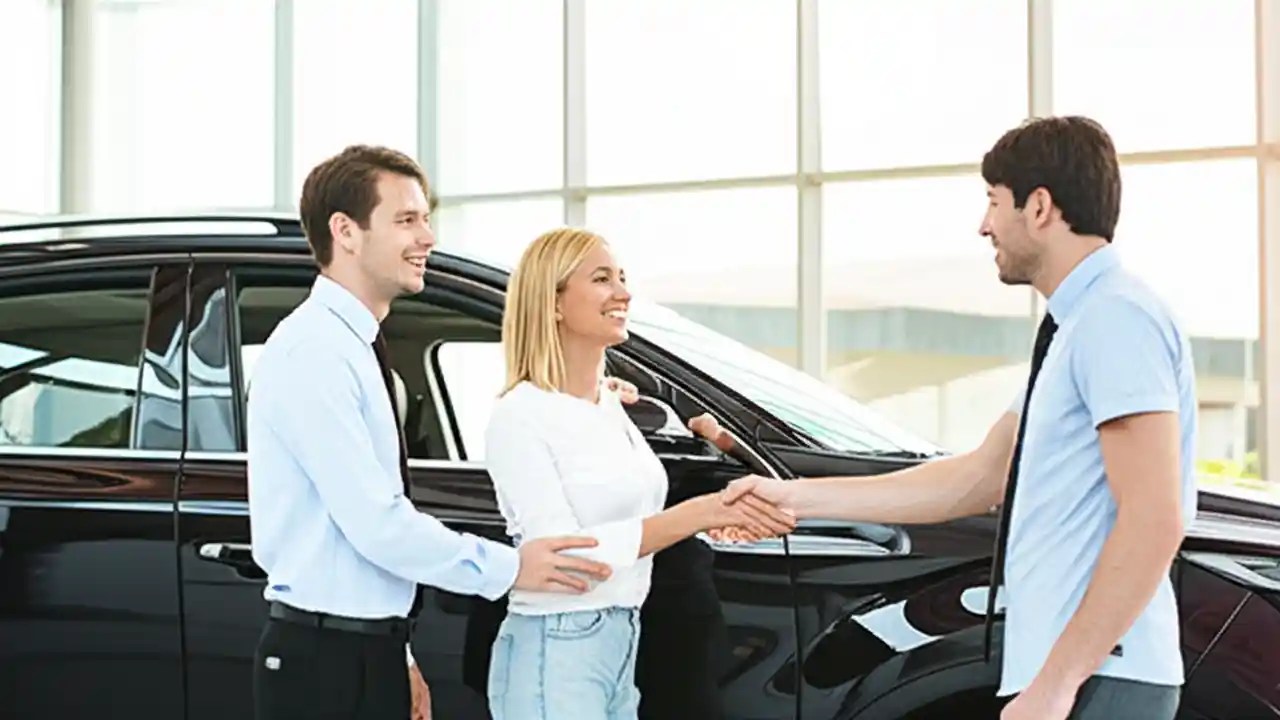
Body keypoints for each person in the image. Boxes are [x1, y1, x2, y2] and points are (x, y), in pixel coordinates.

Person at [723, 116, 1195, 720]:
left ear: (1041, 207)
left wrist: (1055, 685)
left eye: (994, 203)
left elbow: (1155, 518)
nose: (983, 225)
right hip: (1076, 676)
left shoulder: (1115, 318)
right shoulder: (1077, 327)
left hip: (1098, 677)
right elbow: (974, 478)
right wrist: (790, 497)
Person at [246, 145, 616, 720]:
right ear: (345, 231)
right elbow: (376, 523)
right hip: (327, 663)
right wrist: (513, 567)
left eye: (426, 217)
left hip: (363, 648)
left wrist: (401, 650)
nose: (428, 236)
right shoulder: (314, 352)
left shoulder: (356, 348)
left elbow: (358, 544)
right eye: (407, 219)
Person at [482, 227, 796, 720]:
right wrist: (696, 514)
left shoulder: (608, 404)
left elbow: (636, 516)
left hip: (619, 635)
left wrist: (712, 520)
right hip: (558, 643)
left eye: (623, 278)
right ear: (554, 302)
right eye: (602, 278)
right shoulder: (519, 416)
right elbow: (565, 557)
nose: (623, 293)